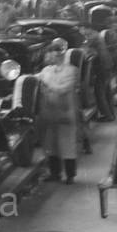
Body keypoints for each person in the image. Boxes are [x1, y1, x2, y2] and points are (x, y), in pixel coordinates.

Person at [36, 38, 81, 183]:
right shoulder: (46, 70)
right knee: (51, 145)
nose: (47, 57)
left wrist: (47, 83)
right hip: (49, 112)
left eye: (49, 54)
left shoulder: (71, 70)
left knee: (67, 144)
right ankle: (55, 174)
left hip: (64, 112)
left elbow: (63, 89)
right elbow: (35, 80)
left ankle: (70, 175)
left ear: (58, 54)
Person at [82, 24, 116, 121]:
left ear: (88, 28)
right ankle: (111, 114)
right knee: (107, 91)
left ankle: (107, 116)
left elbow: (84, 49)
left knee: (99, 92)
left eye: (82, 29)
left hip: (102, 66)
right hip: (107, 64)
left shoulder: (92, 37)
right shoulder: (96, 35)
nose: (81, 31)